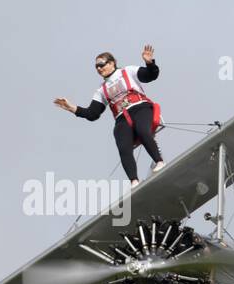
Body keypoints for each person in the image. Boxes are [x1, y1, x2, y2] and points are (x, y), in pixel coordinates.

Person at [53, 44, 166, 185]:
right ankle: (134, 181)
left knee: (142, 130)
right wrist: (71, 107)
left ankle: (159, 161)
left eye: (101, 64)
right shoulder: (101, 90)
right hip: (122, 118)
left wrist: (149, 63)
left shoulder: (128, 71)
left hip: (140, 108)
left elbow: (150, 75)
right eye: (96, 67)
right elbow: (92, 114)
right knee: (123, 147)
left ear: (112, 63)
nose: (99, 69)